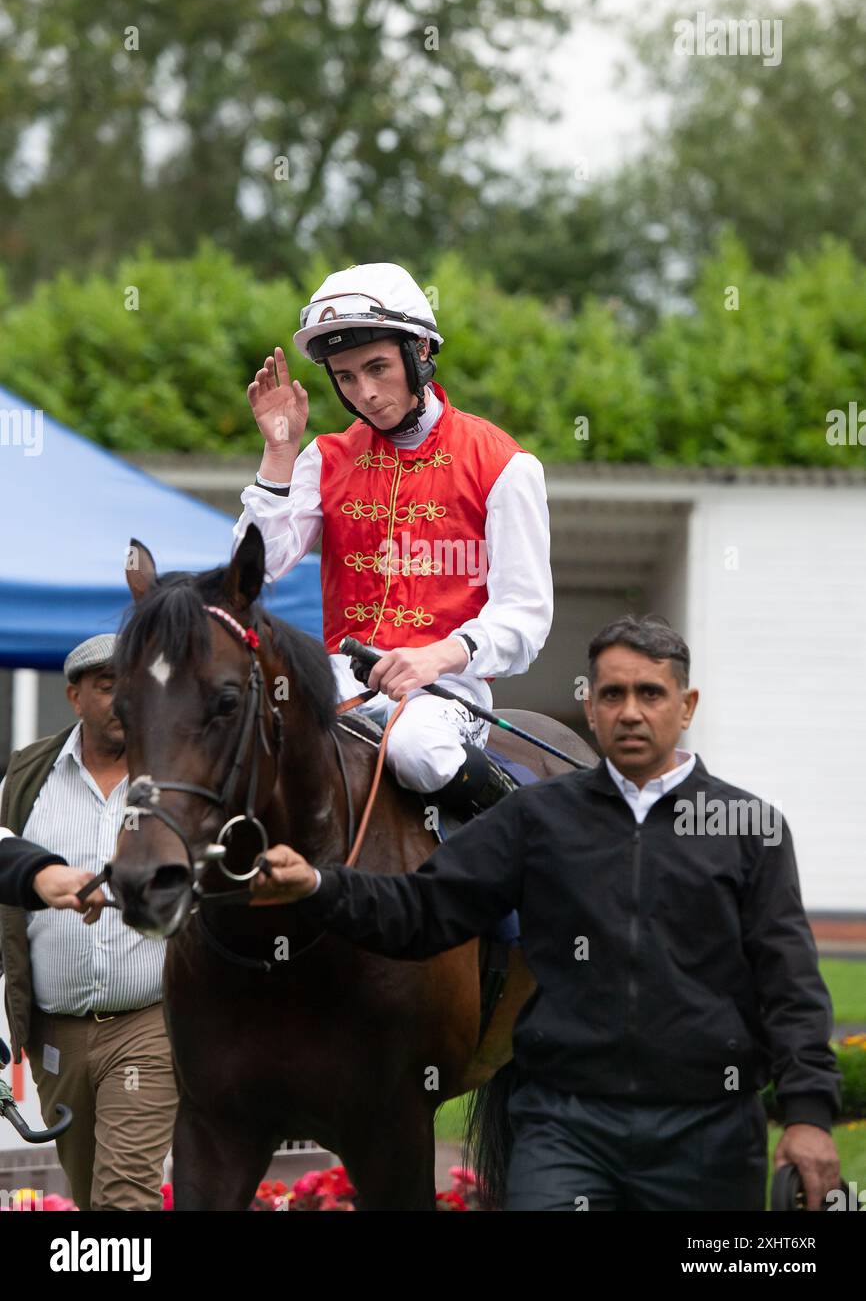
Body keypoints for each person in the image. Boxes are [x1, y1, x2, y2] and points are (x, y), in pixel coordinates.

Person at [247, 614, 842, 1211]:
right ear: (590, 709)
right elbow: (424, 910)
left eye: (650, 693)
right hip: (565, 1133)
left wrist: (808, 1115)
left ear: (685, 707)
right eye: (612, 694)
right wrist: (318, 885)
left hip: (708, 1135)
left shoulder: (747, 828)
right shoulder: (535, 818)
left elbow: (788, 979)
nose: (630, 711)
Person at [232, 261, 553, 826]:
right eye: (346, 377)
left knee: (416, 752)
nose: (366, 393)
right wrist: (279, 455)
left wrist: (435, 657)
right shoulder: (325, 456)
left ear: (421, 353)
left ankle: (520, 847)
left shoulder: (505, 463)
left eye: (378, 367)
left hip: (445, 689)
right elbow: (250, 574)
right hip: (339, 679)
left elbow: (526, 617)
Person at [0, 634, 178, 1210]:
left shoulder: (178, 781)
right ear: (74, 696)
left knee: (126, 1193)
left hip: (149, 1021)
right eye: (107, 686)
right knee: (86, 1188)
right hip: (56, 1032)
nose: (125, 699)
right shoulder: (27, 779)